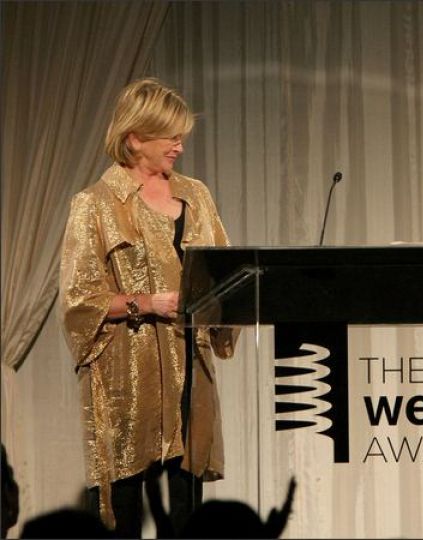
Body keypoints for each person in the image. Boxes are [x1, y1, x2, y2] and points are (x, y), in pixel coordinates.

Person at [59, 78, 237, 537]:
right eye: (170, 137)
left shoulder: (196, 195)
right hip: (128, 373)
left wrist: (227, 302)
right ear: (135, 138)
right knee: (128, 505)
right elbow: (81, 301)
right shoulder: (94, 205)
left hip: (190, 366)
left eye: (182, 136)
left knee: (186, 501)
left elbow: (226, 268)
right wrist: (147, 303)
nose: (180, 145)